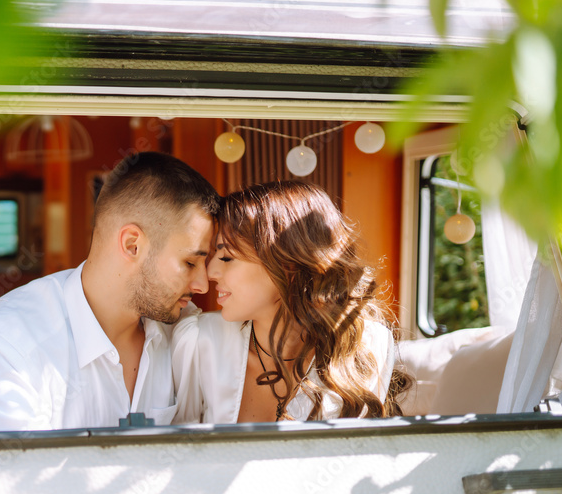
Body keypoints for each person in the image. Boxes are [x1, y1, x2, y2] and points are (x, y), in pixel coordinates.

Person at [0, 151, 221, 431]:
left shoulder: (184, 332)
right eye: (189, 262)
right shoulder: (10, 339)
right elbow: (19, 472)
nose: (202, 285)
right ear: (132, 245)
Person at [172, 180, 404, 424]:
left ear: (288, 264)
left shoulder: (364, 345)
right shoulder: (199, 341)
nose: (210, 273)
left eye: (227, 257)